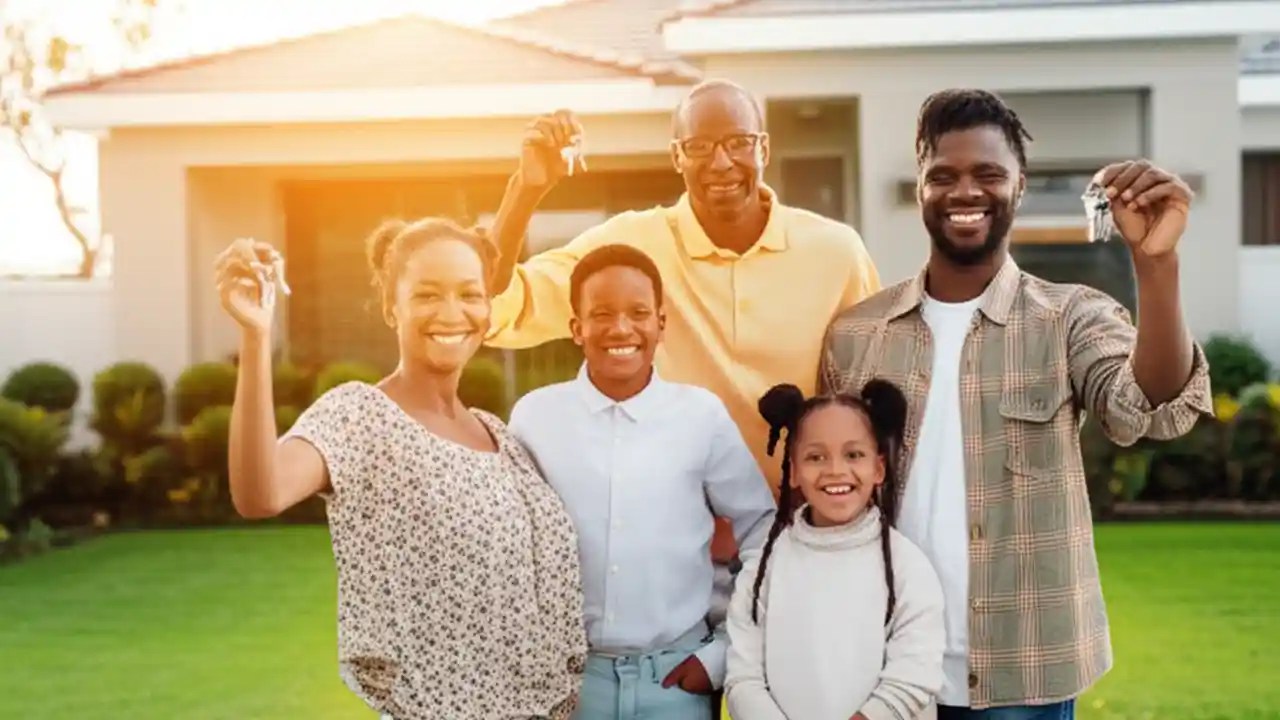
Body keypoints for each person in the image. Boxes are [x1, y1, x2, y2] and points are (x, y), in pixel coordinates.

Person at [819, 89, 1213, 719]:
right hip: (887, 667)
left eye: (989, 174)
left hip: (1026, 668)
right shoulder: (856, 334)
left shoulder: (1070, 316)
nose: (965, 192)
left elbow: (1148, 407)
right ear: (920, 187)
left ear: (1020, 186)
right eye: (942, 175)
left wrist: (1156, 264)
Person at [214, 219, 587, 720]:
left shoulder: (499, 437)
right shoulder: (360, 416)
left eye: (470, 294)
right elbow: (261, 493)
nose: (452, 313)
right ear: (392, 308)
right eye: (428, 295)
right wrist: (256, 337)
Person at [485, 79, 881, 499]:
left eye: (739, 143)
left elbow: (872, 394)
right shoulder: (631, 246)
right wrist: (525, 191)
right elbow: (497, 311)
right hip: (678, 526)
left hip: (807, 522)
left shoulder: (835, 251)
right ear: (677, 156)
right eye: (699, 147)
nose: (722, 162)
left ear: (763, 149)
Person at [508, 244, 777, 720]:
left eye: (638, 313)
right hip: (568, 685)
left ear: (661, 324)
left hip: (677, 680)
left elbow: (763, 531)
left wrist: (722, 652)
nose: (621, 329)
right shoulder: (535, 417)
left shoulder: (700, 415)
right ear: (576, 328)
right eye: (602, 314)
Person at [724, 380, 946, 720]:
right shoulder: (764, 569)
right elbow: (743, 678)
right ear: (794, 471)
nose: (835, 470)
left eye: (854, 454)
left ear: (879, 468)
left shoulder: (907, 568)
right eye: (816, 457)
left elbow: (914, 674)